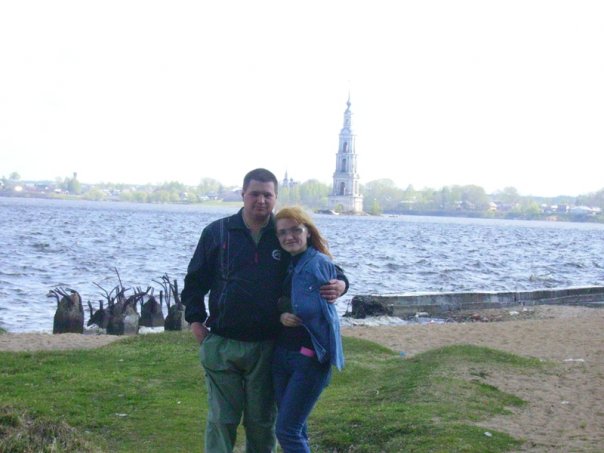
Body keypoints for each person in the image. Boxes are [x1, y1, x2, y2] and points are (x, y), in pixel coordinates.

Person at [181, 168, 347, 453]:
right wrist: (196, 321)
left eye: (267, 195)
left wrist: (341, 284)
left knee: (261, 422)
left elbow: (320, 262)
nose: (261, 200)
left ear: (275, 197)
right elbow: (195, 281)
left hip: (268, 345)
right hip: (222, 342)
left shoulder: (283, 232)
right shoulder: (217, 232)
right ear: (243, 194)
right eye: (254, 194)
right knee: (222, 419)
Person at [272, 206, 345, 453]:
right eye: (282, 232)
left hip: (309, 357)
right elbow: (280, 298)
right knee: (296, 427)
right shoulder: (284, 262)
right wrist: (281, 314)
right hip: (282, 354)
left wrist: (341, 285)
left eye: (295, 230)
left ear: (308, 232)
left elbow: (325, 304)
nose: (289, 236)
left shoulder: (318, 262)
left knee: (287, 430)